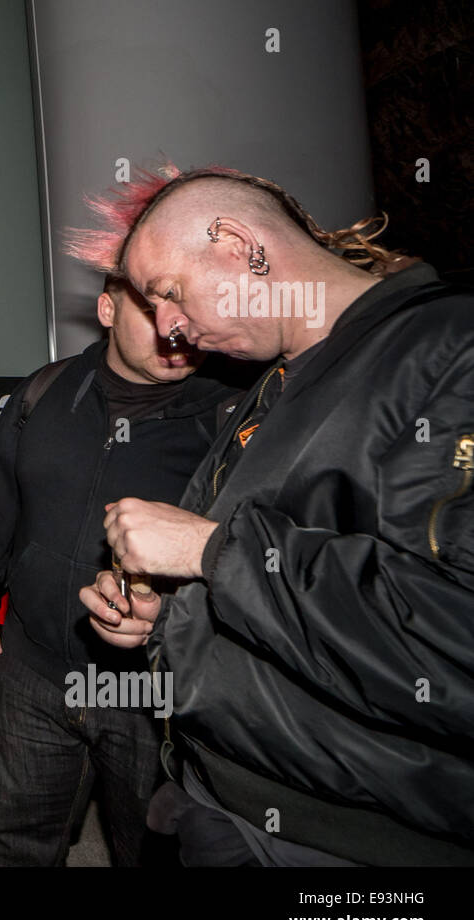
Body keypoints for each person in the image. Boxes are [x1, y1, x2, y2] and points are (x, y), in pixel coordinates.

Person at [73, 166, 474, 865]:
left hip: (347, 844)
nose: (169, 328)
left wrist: (210, 550)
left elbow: (451, 636)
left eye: (168, 292)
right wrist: (167, 617)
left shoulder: (448, 350)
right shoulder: (273, 382)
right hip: (222, 800)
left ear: (237, 245)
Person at [0, 276, 242, 866]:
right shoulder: (44, 392)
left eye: (189, 311)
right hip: (31, 669)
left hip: (151, 690)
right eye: (155, 310)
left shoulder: (232, 413)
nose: (177, 329)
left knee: (152, 850)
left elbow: (254, 555)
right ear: (107, 309)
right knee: (16, 841)